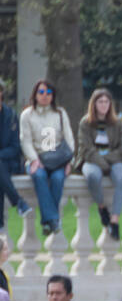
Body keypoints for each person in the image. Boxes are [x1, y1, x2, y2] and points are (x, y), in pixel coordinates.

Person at [19, 80, 76, 237]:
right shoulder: (27, 115)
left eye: (48, 93)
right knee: (39, 176)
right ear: (35, 94)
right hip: (36, 159)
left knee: (58, 179)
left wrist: (70, 162)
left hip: (58, 159)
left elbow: (69, 139)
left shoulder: (60, 113)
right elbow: (26, 141)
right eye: (41, 92)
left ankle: (48, 221)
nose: (45, 96)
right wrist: (34, 159)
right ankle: (53, 220)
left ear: (53, 96)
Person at [75, 88, 122, 241]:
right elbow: (86, 149)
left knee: (121, 177)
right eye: (100, 102)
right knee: (93, 175)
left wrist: (107, 159)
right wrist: (102, 162)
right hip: (91, 160)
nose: (104, 105)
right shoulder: (85, 123)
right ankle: (101, 207)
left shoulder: (118, 123)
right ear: (94, 104)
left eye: (106, 102)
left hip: (114, 160)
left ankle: (115, 220)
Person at [0, 80, 35, 220]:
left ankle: (1, 225)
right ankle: (18, 202)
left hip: (10, 163)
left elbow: (16, 148)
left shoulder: (11, 116)